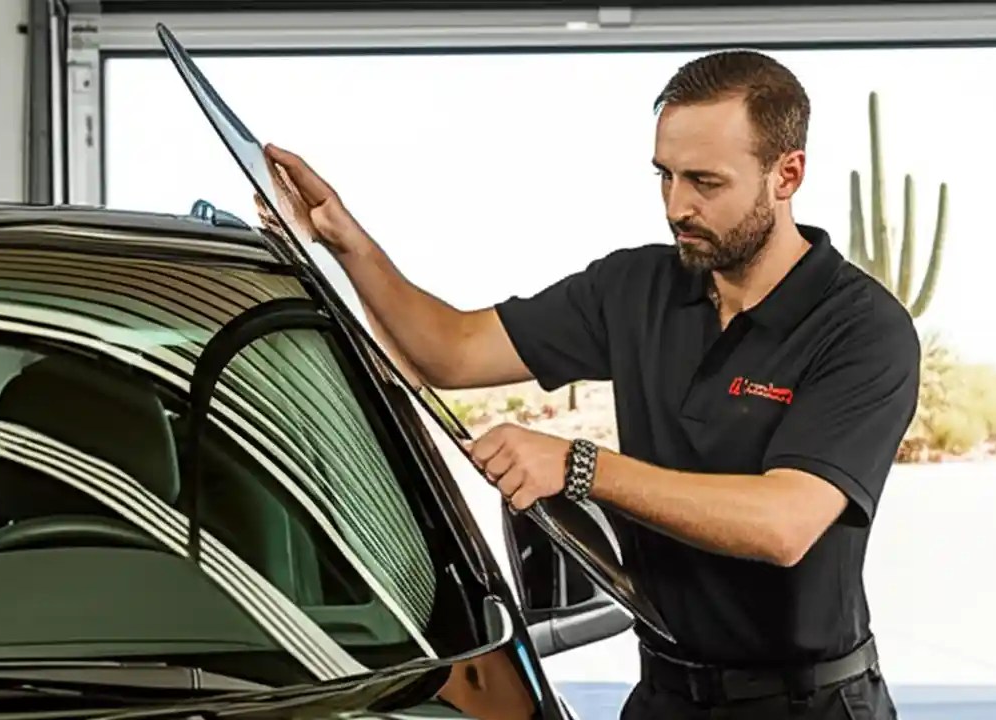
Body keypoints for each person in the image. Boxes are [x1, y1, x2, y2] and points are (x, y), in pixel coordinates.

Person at [258, 48, 920, 720]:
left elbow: (784, 523)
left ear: (788, 175)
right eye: (664, 176)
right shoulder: (633, 289)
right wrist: (344, 241)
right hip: (663, 697)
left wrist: (579, 466)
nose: (677, 205)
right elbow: (450, 353)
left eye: (705, 182)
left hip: (809, 705)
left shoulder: (863, 329)